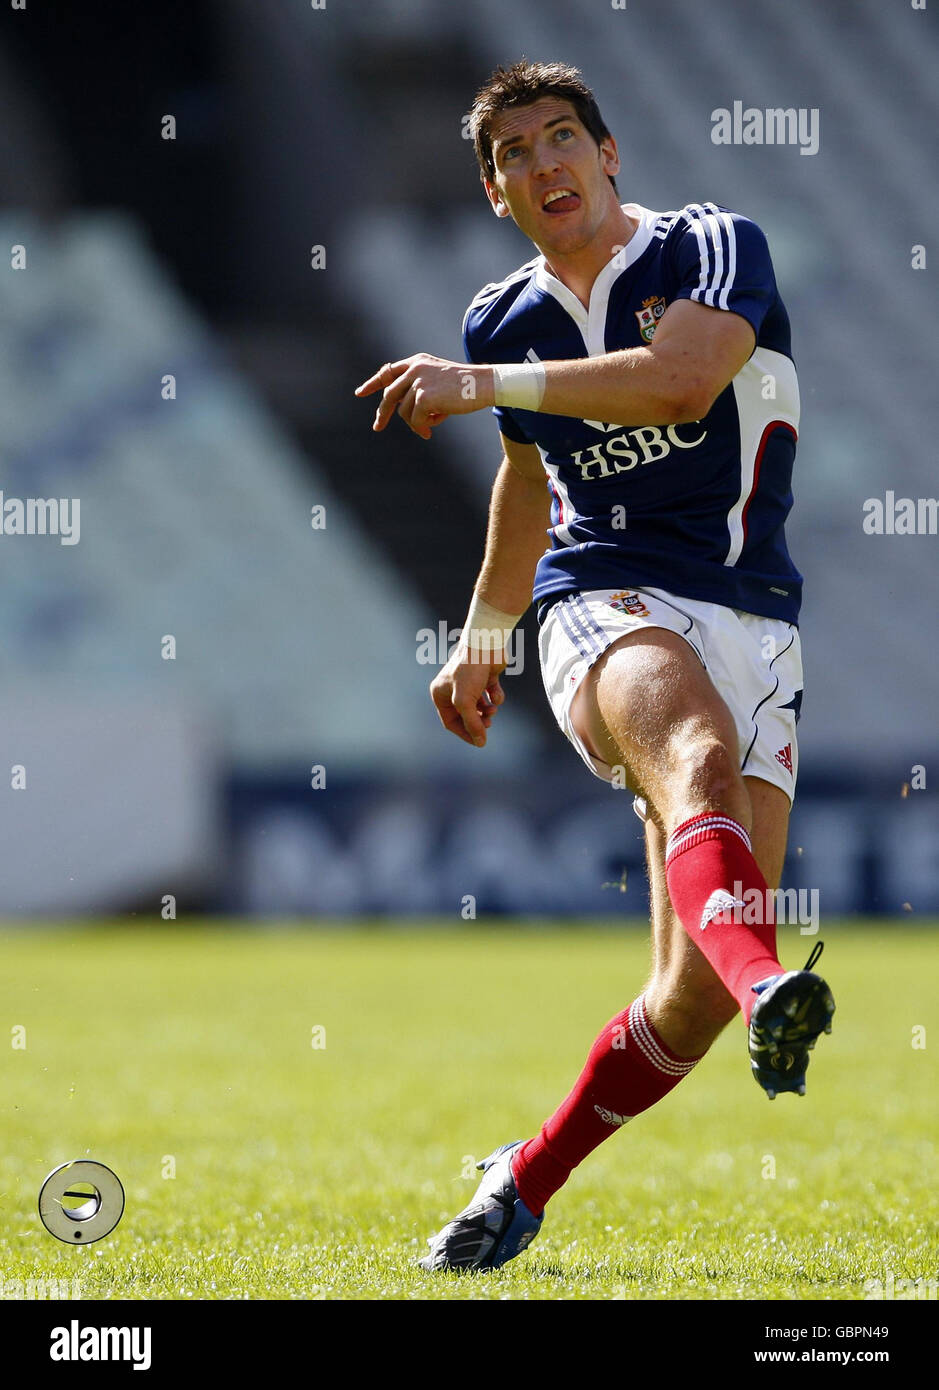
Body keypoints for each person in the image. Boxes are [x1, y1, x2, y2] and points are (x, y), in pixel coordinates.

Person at [355, 59, 834, 1273]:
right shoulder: (501, 314)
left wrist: (482, 386)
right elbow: (531, 479)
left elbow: (681, 377)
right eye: (515, 154)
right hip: (599, 599)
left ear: (610, 154)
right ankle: (777, 979)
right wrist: (481, 635)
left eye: (563, 137)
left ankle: (520, 1179)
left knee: (691, 999)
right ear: (494, 188)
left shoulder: (712, 243)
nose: (544, 164)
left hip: (756, 614)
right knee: (694, 754)